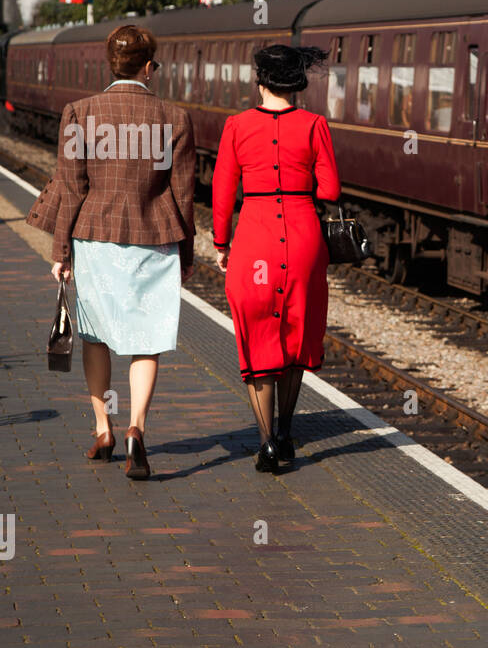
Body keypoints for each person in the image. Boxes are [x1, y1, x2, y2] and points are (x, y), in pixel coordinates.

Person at [35, 25, 197, 479]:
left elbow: (71, 188)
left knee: (96, 335)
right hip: (155, 237)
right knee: (146, 337)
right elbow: (184, 194)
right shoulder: (175, 118)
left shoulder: (79, 113)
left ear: (112, 66)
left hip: (95, 236)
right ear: (149, 67)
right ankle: (136, 429)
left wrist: (60, 250)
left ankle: (103, 428)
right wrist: (185, 253)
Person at [212, 45, 339, 473]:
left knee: (259, 335)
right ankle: (286, 433)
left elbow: (223, 191)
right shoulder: (315, 125)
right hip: (303, 236)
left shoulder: (236, 126)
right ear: (297, 85)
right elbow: (330, 190)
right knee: (295, 332)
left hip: (254, 238)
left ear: (260, 81)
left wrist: (221, 244)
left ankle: (265, 441)